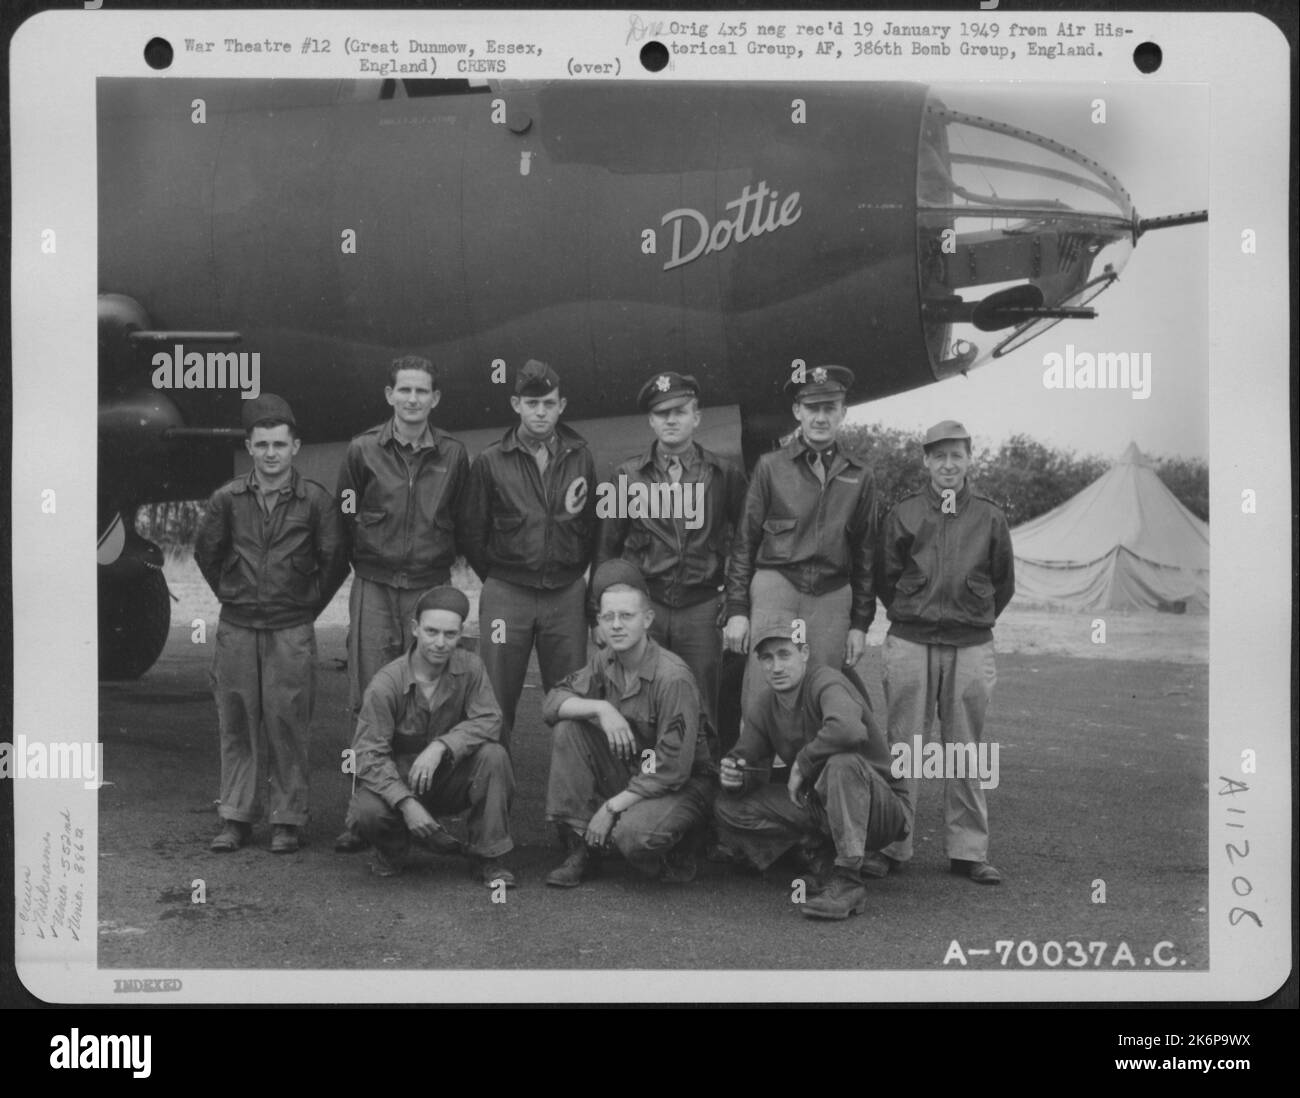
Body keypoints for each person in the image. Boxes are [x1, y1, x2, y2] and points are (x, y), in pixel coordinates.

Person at [195, 394, 349, 854]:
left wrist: (304, 608)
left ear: (295, 446)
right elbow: (207, 552)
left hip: (291, 630)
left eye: (279, 444)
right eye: (261, 444)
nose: (270, 453)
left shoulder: (315, 501)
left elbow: (335, 559)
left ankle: (288, 820)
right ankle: (236, 818)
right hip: (238, 627)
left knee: (287, 722)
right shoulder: (227, 499)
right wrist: (233, 593)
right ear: (249, 447)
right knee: (237, 721)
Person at [332, 354, 470, 853]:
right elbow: (343, 516)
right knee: (369, 696)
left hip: (427, 587)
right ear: (389, 395)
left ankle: (427, 809)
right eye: (404, 390)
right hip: (372, 583)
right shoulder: (361, 450)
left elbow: (464, 519)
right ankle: (361, 814)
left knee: (432, 694)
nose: (412, 400)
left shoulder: (454, 455)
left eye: (422, 392)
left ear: (435, 399)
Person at [876, 420, 1015, 885]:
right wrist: (913, 611)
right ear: (925, 461)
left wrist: (971, 612)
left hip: (971, 642)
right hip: (911, 640)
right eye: (939, 456)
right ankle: (893, 844)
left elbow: (1003, 583)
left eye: (957, 455)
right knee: (904, 745)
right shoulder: (905, 513)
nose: (948, 464)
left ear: (970, 459)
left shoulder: (991, 517)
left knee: (965, 748)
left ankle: (969, 850)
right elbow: (885, 576)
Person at [714, 623, 909, 920]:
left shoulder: (826, 681)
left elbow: (847, 730)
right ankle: (819, 856)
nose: (776, 666)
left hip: (879, 809)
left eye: (784, 654)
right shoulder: (766, 702)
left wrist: (802, 763)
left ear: (804, 653)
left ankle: (848, 881)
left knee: (840, 763)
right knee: (728, 805)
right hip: (821, 803)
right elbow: (747, 756)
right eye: (767, 658)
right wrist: (734, 775)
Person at [594, 371, 747, 747]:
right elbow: (607, 550)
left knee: (700, 704)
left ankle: (700, 789)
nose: (672, 420)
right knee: (637, 700)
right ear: (651, 420)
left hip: (701, 606)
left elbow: (744, 542)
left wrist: (737, 603)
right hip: (647, 605)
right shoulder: (626, 475)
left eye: (680, 411)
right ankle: (640, 787)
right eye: (662, 413)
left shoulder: (723, 474)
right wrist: (597, 615)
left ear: (697, 416)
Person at [542, 560, 715, 888]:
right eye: (608, 618)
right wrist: (601, 709)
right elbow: (552, 702)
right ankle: (583, 846)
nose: (616, 626)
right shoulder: (605, 660)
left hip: (683, 783)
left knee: (633, 836)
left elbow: (673, 769)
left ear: (647, 619)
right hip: (637, 770)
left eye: (626, 616)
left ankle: (677, 851)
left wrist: (611, 807)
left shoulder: (672, 677)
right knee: (570, 727)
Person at [458, 359, 597, 752]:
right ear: (516, 404)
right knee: (493, 702)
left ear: (561, 405)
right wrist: (501, 576)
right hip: (507, 594)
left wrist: (572, 568)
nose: (540, 412)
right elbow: (472, 530)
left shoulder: (580, 455)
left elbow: (589, 523)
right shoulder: (490, 460)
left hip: (566, 593)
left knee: (572, 700)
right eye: (532, 403)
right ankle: (490, 800)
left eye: (548, 403)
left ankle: (571, 804)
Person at [723, 365, 878, 715]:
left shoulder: (861, 476)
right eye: (812, 408)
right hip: (777, 585)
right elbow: (744, 542)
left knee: (823, 687)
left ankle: (814, 768)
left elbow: (866, 554)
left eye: (829, 408)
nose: (820, 417)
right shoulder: (770, 467)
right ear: (798, 412)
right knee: (764, 687)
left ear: (843, 412)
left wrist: (860, 624)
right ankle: (757, 768)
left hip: (831, 593)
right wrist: (737, 610)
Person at [348, 586, 517, 885]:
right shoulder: (385, 684)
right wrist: (406, 804)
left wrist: (442, 745)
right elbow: (367, 755)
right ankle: (393, 849)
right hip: (400, 780)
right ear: (415, 629)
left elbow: (490, 718)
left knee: (494, 756)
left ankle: (488, 857)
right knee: (367, 810)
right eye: (431, 631)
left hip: (448, 777)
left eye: (450, 634)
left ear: (460, 634)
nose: (440, 643)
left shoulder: (471, 667)